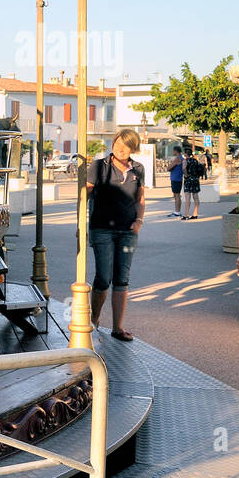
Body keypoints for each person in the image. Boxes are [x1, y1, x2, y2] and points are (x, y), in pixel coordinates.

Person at [88, 128, 145, 342]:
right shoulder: (98, 167)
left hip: (127, 231)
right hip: (102, 229)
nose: (120, 149)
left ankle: (117, 328)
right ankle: (94, 320)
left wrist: (138, 221)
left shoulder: (138, 169)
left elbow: (140, 199)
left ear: (133, 148)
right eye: (117, 144)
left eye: (126, 145)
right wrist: (79, 226)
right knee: (104, 277)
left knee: (122, 279)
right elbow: (84, 195)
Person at [181, 146, 204, 220]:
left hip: (188, 180)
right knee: (196, 197)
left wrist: (186, 174)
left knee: (188, 197)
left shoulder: (185, 161)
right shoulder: (195, 160)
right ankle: (195, 214)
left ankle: (186, 214)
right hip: (195, 179)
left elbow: (184, 168)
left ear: (185, 154)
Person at [166, 145, 184, 217]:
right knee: (177, 195)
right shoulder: (181, 158)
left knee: (177, 195)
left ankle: (177, 212)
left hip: (176, 179)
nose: (172, 152)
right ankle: (177, 211)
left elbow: (168, 168)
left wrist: (170, 165)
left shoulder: (177, 159)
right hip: (178, 178)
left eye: (173, 151)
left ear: (176, 151)